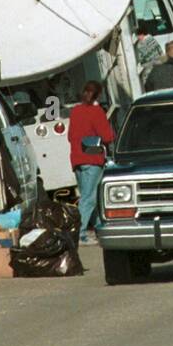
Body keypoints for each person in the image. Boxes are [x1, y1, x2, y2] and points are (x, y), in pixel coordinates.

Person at [67, 81, 116, 245]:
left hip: (77, 159)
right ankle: (78, 233)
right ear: (99, 95)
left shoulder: (75, 111)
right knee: (89, 199)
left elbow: (70, 136)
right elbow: (108, 136)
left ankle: (99, 228)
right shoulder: (97, 112)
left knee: (88, 196)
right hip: (93, 159)